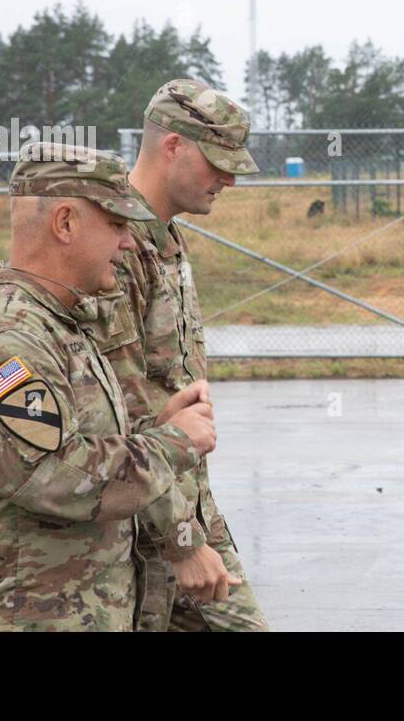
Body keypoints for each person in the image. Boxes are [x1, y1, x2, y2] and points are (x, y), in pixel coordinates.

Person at [0, 142, 217, 631]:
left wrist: (157, 427)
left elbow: (73, 446)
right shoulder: (10, 343)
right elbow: (55, 476)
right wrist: (173, 442)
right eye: (117, 225)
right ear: (65, 224)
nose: (127, 243)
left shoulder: (62, 326)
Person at [101, 78, 269, 631]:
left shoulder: (167, 239)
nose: (229, 178)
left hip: (184, 502)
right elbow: (122, 419)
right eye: (218, 162)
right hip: (145, 523)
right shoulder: (118, 249)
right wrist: (181, 539)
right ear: (172, 145)